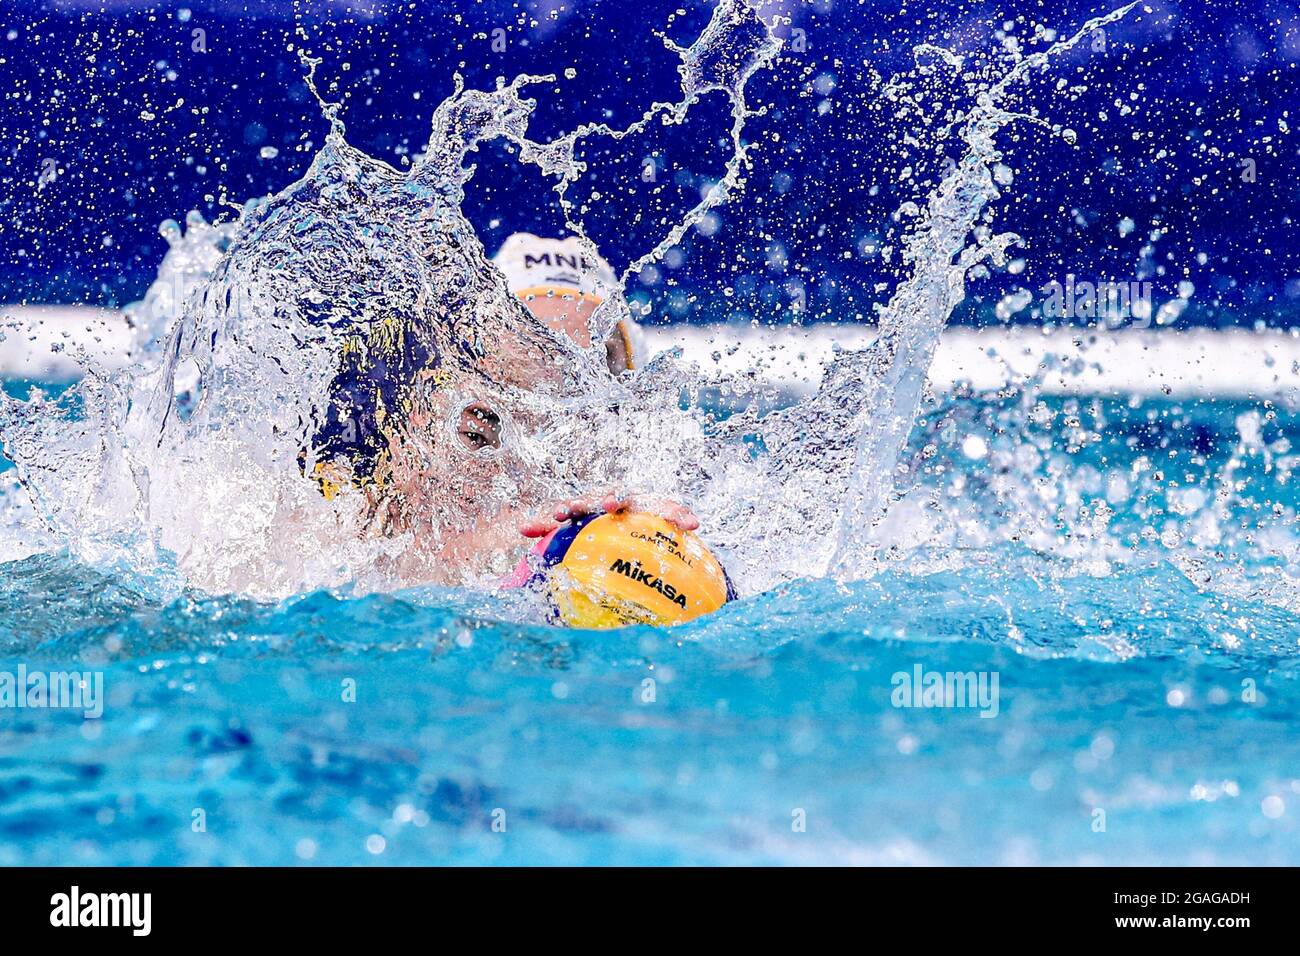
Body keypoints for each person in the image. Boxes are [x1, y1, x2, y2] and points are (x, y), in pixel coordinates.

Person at [304, 232, 699, 583]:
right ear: (423, 415)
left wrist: (675, 556)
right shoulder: (320, 502)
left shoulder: (654, 497)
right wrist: (504, 543)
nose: (528, 465)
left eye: (573, 422)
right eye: (483, 433)